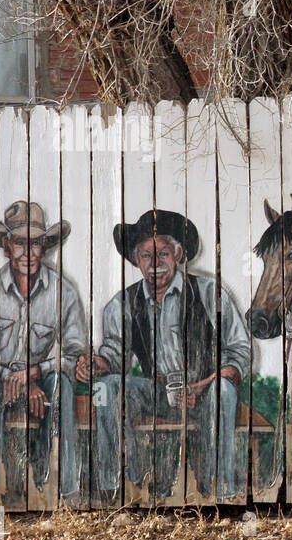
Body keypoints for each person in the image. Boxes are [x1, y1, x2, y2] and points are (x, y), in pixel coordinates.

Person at [76, 209, 251, 500]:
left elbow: (240, 353)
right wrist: (97, 365)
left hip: (205, 391)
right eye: (147, 256)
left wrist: (202, 385)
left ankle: (220, 490)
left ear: (178, 255)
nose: (155, 264)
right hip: (156, 391)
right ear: (136, 260)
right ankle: (114, 487)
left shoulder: (210, 293)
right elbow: (114, 355)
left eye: (164, 254)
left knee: (224, 391)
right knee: (104, 388)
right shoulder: (122, 303)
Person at [0, 201, 87, 502]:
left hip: (42, 383)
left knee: (63, 384)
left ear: (45, 247)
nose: (28, 252)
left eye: (36, 243)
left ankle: (66, 492)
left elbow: (75, 354)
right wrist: (12, 378)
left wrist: (35, 374)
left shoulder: (64, 292)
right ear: (6, 247)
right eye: (19, 243)